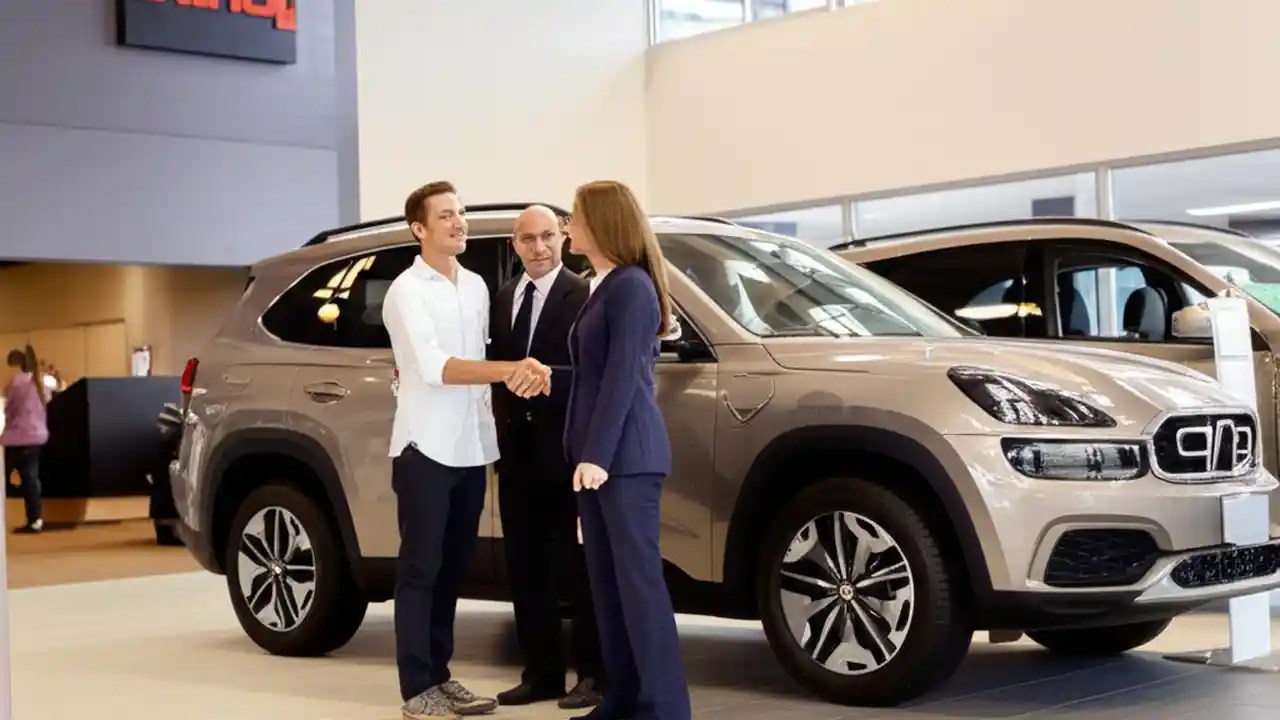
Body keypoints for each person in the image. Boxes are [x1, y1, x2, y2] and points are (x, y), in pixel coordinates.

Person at [382, 180, 553, 720]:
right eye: (446, 215)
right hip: (425, 449)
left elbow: (480, 355)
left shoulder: (477, 286)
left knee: (453, 569)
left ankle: (440, 675)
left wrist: (515, 374)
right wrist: (512, 370)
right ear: (419, 229)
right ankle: (417, 689)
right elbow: (435, 368)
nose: (460, 222)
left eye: (461, 212)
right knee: (420, 571)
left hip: (471, 448)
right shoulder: (405, 292)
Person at [562, 180, 691, 720]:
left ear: (601, 223)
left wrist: (596, 456)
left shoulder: (632, 287)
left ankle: (664, 708)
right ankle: (623, 699)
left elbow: (622, 378)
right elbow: (596, 374)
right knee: (609, 589)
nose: (567, 225)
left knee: (639, 591)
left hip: (624, 461)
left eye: (573, 216)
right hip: (600, 462)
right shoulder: (607, 285)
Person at [489, 205, 604, 709]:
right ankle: (540, 674)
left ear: (563, 238)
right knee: (526, 567)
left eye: (548, 236)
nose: (539, 247)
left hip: (567, 452)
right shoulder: (503, 297)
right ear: (514, 244)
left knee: (579, 569)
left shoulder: (585, 294)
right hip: (516, 456)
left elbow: (593, 372)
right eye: (528, 239)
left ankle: (593, 675)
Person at [2, 345, 49, 534]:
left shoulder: (16, 383)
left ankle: (33, 518)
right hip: (37, 437)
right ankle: (35, 519)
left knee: (16, 478)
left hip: (18, 438)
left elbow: (10, 409)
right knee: (31, 478)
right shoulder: (40, 382)